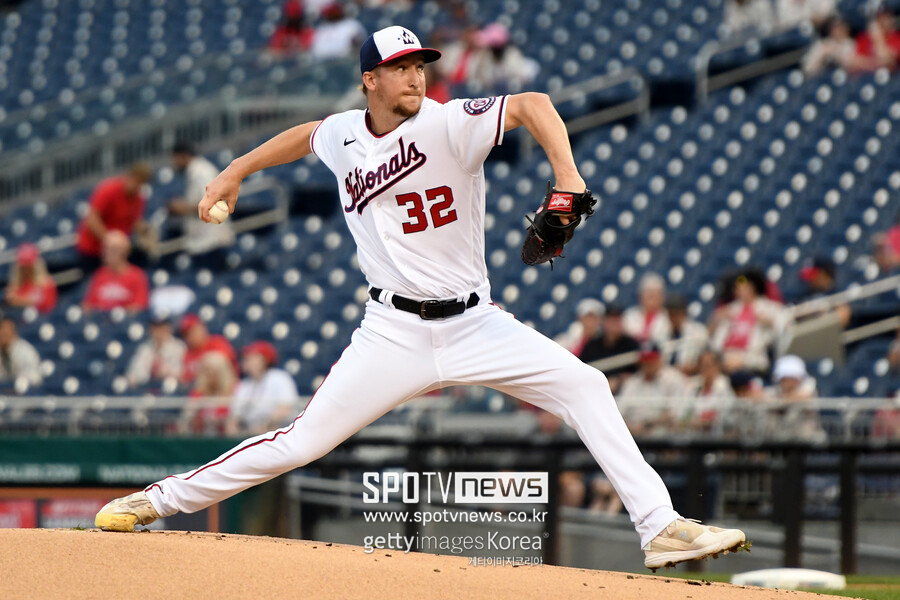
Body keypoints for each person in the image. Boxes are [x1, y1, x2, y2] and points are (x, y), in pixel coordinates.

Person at [96, 25, 745, 570]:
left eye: (420, 65)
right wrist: (235, 171)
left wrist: (567, 178)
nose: (415, 77)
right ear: (369, 81)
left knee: (586, 387)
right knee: (299, 444)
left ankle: (658, 527)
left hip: (474, 324)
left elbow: (533, 104)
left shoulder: (448, 125)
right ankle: (158, 500)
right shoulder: (347, 135)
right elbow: (307, 135)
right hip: (392, 334)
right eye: (400, 67)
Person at [76, 164, 153, 270]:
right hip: (94, 250)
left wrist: (146, 232)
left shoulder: (138, 198)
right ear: (128, 177)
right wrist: (109, 240)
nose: (136, 186)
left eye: (140, 183)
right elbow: (92, 220)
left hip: (118, 254)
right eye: (135, 181)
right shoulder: (109, 189)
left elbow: (134, 221)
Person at [709, 270, 784, 373]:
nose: (740, 289)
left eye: (744, 285)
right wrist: (716, 320)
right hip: (726, 356)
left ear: (753, 287)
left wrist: (770, 322)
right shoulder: (728, 310)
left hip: (753, 356)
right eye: (738, 286)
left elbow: (784, 326)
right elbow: (712, 338)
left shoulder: (769, 308)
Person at [167, 143, 235, 256]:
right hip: (202, 241)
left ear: (184, 155)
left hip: (212, 241)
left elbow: (214, 204)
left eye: (175, 158)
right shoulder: (194, 171)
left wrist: (183, 208)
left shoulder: (202, 171)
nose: (174, 163)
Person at [227, 342, 299, 435]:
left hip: (279, 433)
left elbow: (286, 408)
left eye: (252, 357)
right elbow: (234, 416)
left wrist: (265, 425)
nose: (247, 361)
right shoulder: (245, 385)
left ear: (265, 359)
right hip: (249, 433)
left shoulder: (279, 377)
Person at [618, 342, 690, 436]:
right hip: (636, 437)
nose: (647, 365)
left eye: (651, 361)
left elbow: (675, 414)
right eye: (644, 362)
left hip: (664, 437)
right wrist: (631, 427)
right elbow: (619, 412)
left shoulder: (672, 379)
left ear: (659, 360)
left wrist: (648, 424)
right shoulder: (632, 383)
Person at [82, 231, 150, 313]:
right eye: (105, 249)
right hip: (102, 322)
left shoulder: (137, 275)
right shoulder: (99, 275)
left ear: (124, 252)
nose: (106, 253)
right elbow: (88, 306)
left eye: (112, 249)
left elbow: (139, 306)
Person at [579, 304, 640, 394]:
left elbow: (639, 372)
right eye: (611, 320)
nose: (614, 325)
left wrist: (619, 379)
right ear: (604, 322)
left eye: (617, 320)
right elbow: (583, 369)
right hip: (596, 389)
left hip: (626, 392)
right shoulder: (593, 345)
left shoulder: (631, 345)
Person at [466, 23, 540, 94]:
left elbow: (519, 78)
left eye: (492, 46)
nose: (489, 48)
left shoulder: (512, 54)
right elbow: (483, 79)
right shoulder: (486, 56)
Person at [125, 312, 187, 388]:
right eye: (156, 327)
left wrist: (164, 373)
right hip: (147, 388)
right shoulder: (145, 348)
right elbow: (134, 372)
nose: (159, 330)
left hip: (170, 389)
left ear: (169, 328)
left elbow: (180, 373)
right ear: (151, 329)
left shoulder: (179, 346)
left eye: (163, 326)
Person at [179, 313, 238, 385]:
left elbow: (227, 371)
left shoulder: (217, 343)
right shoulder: (188, 354)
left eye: (193, 331)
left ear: (203, 328)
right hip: (198, 393)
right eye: (187, 334)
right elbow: (185, 379)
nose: (191, 336)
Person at [3, 243, 58, 313]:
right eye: (23, 267)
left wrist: (21, 300)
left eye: (29, 266)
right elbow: (10, 301)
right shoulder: (14, 286)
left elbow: (46, 305)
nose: (26, 269)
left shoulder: (47, 284)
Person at [623, 272, 671, 347]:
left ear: (662, 297)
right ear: (640, 295)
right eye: (648, 293)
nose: (651, 297)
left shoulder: (668, 317)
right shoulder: (629, 315)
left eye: (655, 294)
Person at [665, 293, 708, 375]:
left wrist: (694, 366)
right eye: (670, 314)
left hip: (692, 377)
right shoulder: (661, 332)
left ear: (683, 313)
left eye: (676, 313)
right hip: (666, 379)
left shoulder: (698, 331)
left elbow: (707, 358)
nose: (673, 318)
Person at [850, 5, 900, 72]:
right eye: (881, 18)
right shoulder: (865, 37)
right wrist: (876, 62)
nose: (884, 21)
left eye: (887, 18)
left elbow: (888, 60)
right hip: (866, 77)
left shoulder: (896, 37)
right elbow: (854, 61)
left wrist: (878, 38)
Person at [0, 315, 42, 390]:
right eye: (2, 330)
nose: (4, 333)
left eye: (7, 331)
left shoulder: (25, 350)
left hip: (25, 392)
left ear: (14, 332)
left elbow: (34, 377)